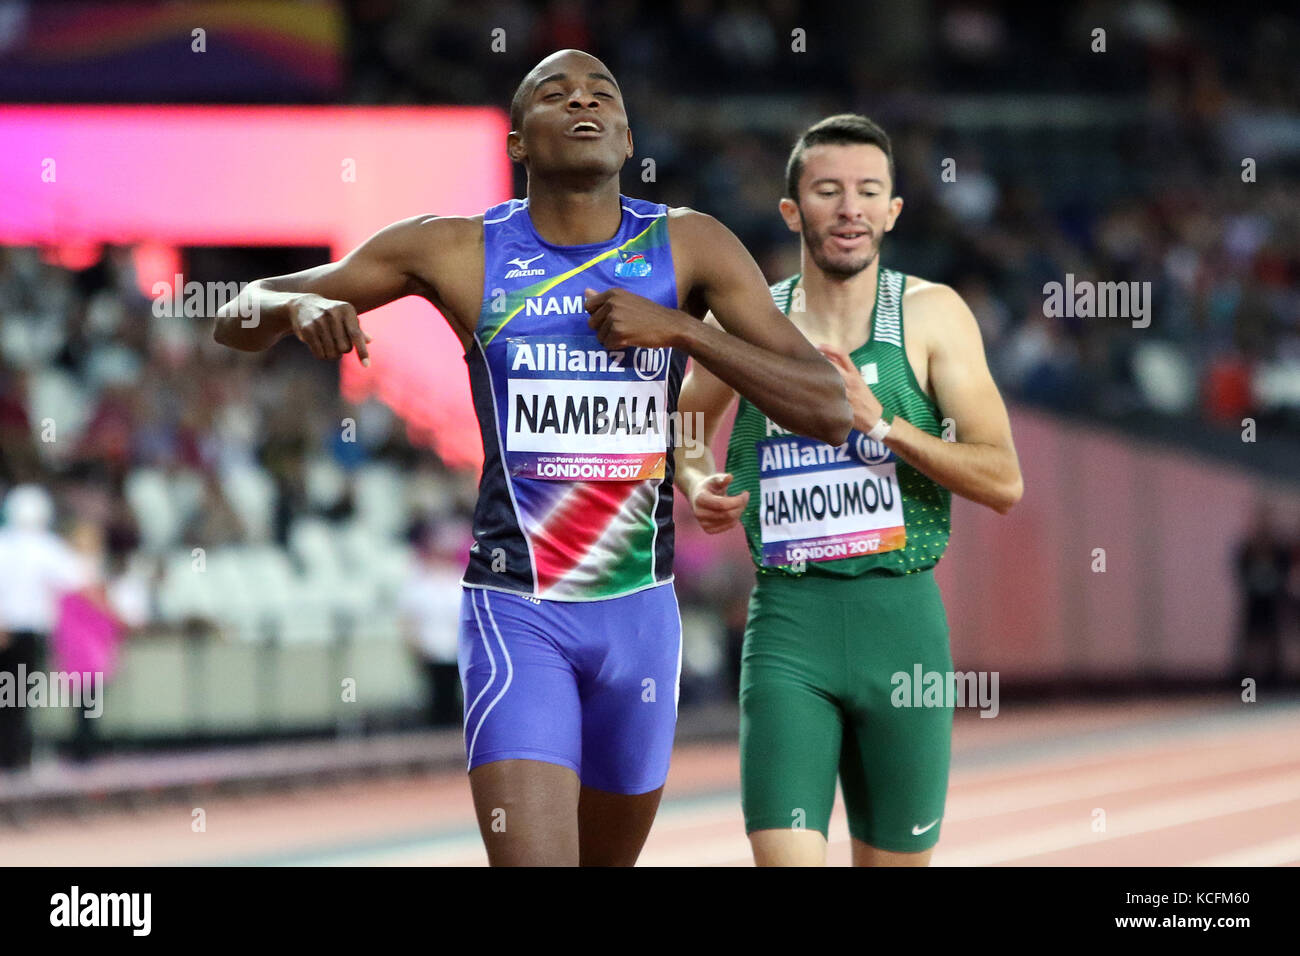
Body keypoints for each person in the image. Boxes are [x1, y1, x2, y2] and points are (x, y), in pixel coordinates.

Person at [214, 49, 851, 866]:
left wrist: (685, 332)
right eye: (556, 94)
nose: (583, 102)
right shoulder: (455, 250)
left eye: (602, 96)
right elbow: (235, 313)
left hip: (641, 617)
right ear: (518, 142)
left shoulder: (689, 245)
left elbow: (829, 408)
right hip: (518, 612)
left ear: (625, 139)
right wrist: (299, 304)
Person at [674, 114, 1023, 866]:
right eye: (828, 191)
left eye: (869, 191)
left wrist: (888, 426)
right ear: (793, 211)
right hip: (789, 630)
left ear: (893, 212)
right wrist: (698, 480)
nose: (849, 208)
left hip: (903, 631)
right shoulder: (745, 320)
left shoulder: (932, 316)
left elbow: (1003, 479)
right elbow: (683, 427)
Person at [0, 485, 93, 771]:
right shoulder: (46, 547)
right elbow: (80, 580)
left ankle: (10, 757)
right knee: (18, 698)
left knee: (6, 698)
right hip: (29, 634)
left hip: (5, 630)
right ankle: (15, 759)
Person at [399, 521, 466, 727]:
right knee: (436, 699)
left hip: (455, 647)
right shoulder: (418, 581)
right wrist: (415, 644)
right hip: (431, 648)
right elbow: (409, 617)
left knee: (457, 700)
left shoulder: (460, 578)